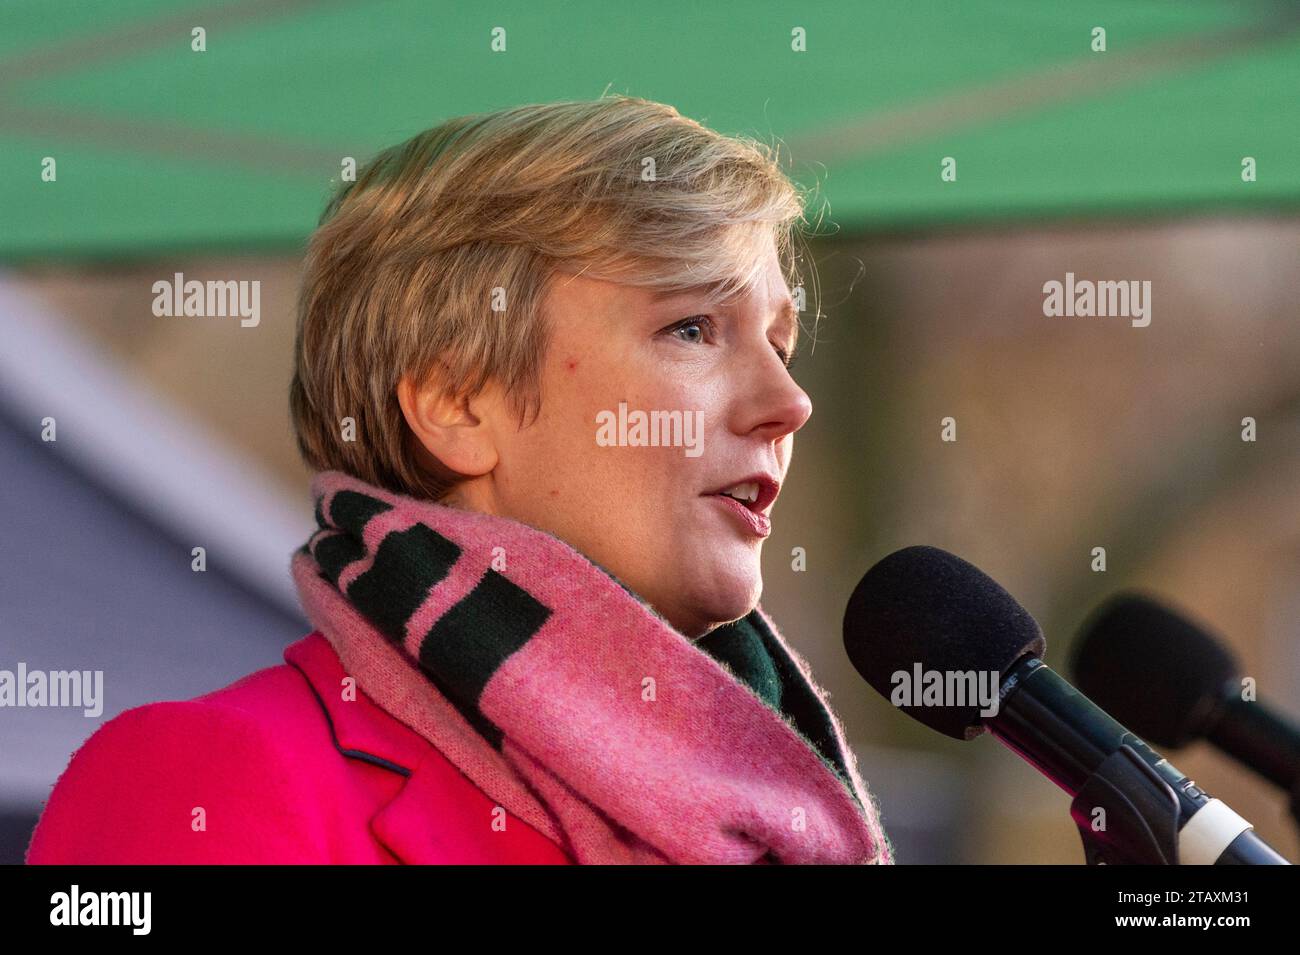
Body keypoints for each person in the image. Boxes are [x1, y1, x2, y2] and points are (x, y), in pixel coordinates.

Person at [26, 95, 892, 865]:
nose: (790, 402)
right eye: (693, 328)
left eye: (779, 342)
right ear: (455, 402)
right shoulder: (207, 779)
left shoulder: (791, 817)